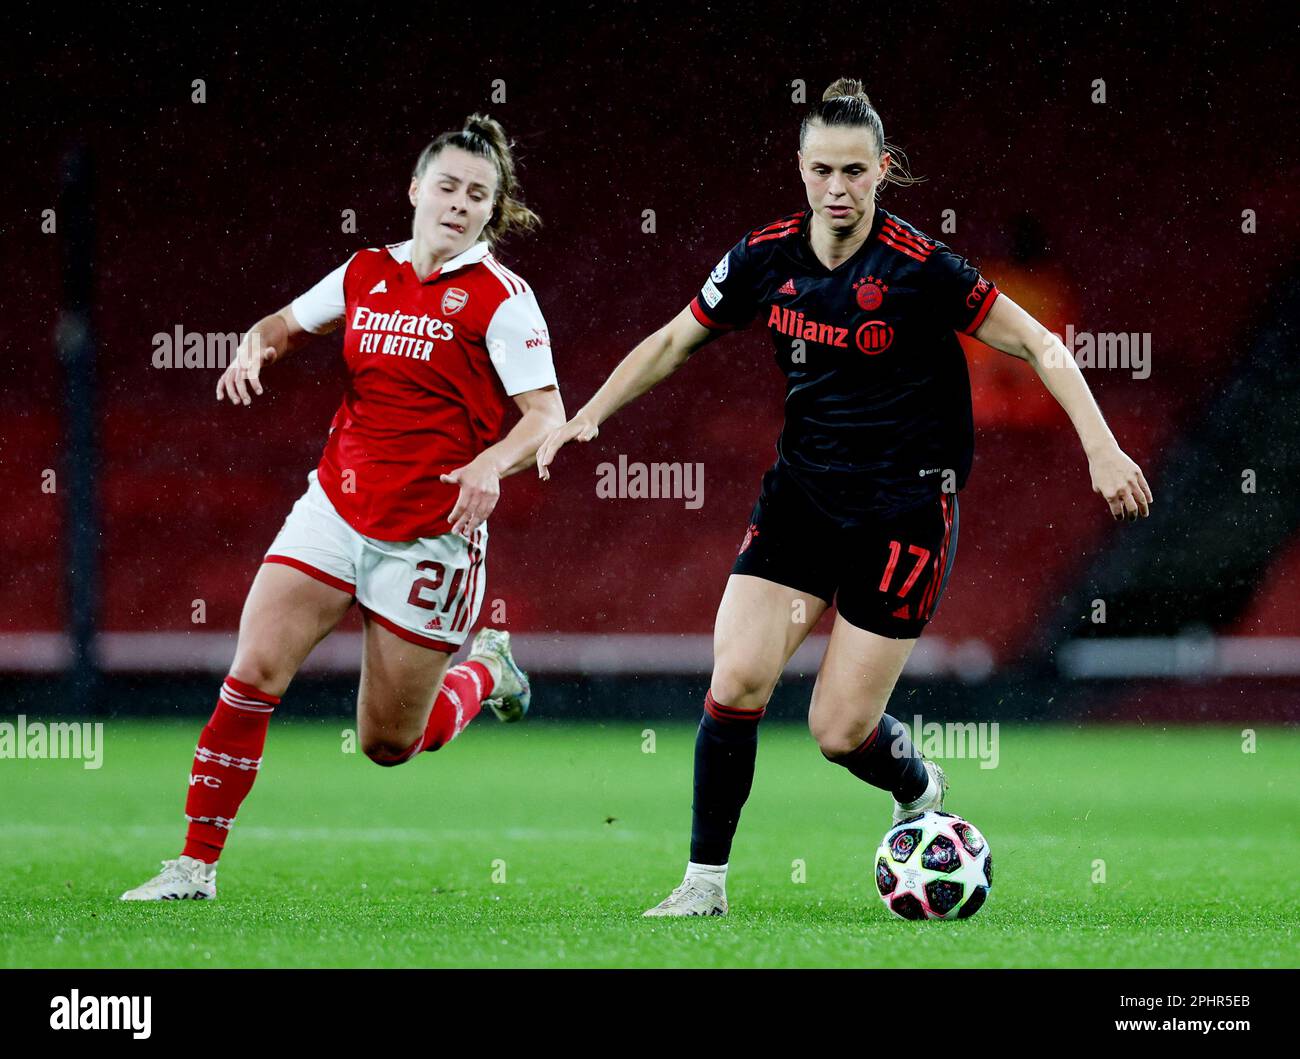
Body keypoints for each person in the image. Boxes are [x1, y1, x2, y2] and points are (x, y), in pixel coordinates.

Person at [537, 79, 1152, 917]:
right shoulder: (765, 255)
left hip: (904, 514)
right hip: (801, 503)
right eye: (822, 169)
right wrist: (591, 415)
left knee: (837, 730)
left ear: (882, 170)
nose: (836, 187)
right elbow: (678, 337)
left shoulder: (922, 268)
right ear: (799, 167)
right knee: (740, 678)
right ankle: (703, 885)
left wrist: (1102, 445)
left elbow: (1041, 342)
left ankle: (915, 779)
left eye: (854, 171)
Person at [122, 114, 565, 901]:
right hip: (335, 508)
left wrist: (492, 466)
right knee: (253, 671)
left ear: (489, 212)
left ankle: (487, 672)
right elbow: (284, 326)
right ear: (416, 189)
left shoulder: (502, 301)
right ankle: (193, 866)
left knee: (389, 743)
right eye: (448, 186)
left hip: (431, 540)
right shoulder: (366, 271)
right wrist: (254, 346)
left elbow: (545, 416)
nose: (458, 203)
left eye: (477, 195)